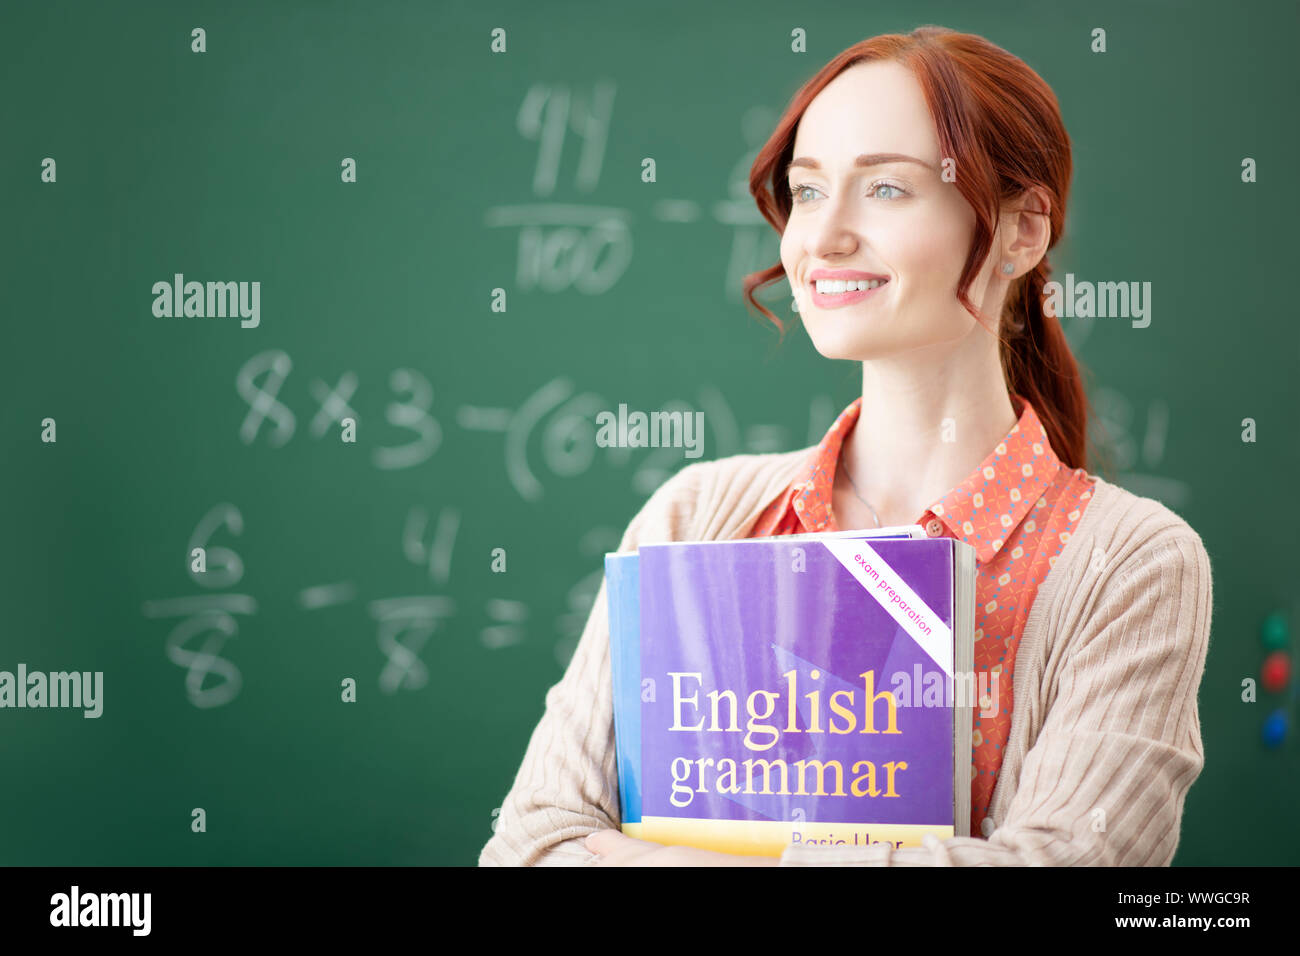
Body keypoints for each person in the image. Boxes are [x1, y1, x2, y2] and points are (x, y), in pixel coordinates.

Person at [479, 25, 1212, 867]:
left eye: (888, 190)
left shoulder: (1132, 565)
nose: (820, 239)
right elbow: (532, 846)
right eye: (807, 190)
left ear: (1023, 229)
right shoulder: (692, 516)